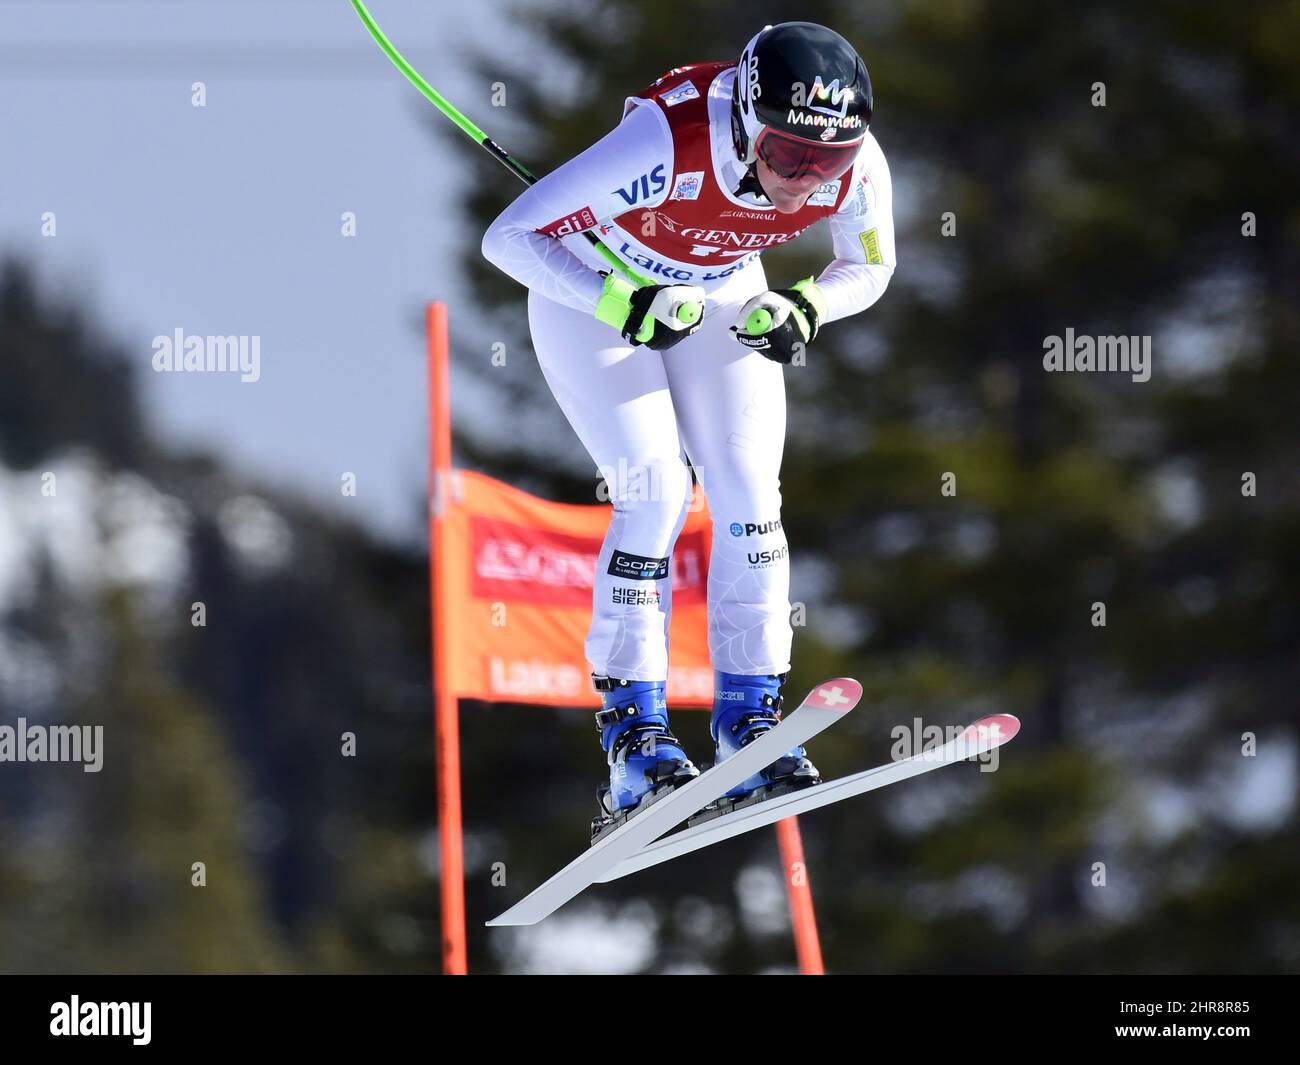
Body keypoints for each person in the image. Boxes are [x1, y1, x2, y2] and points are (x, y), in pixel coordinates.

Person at [481, 21, 896, 837]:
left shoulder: (858, 164)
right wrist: (618, 301)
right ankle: (635, 742)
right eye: (787, 157)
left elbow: (870, 265)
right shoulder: (665, 142)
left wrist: (806, 305)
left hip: (723, 288)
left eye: (828, 165)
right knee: (656, 487)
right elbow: (507, 238)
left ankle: (751, 719)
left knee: (750, 498)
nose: (805, 184)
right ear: (745, 119)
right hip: (593, 290)